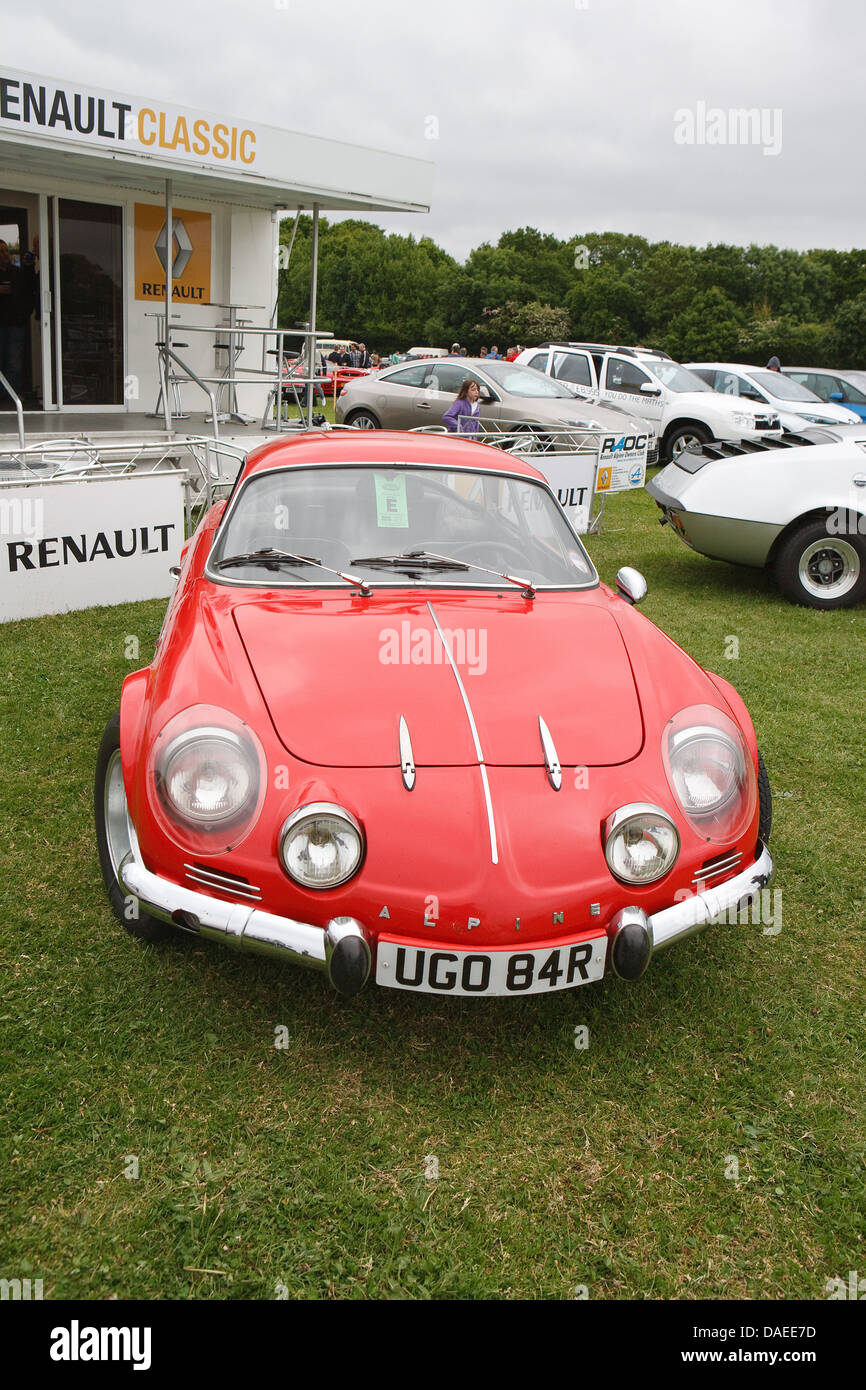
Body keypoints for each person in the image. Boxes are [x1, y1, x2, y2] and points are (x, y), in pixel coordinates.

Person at [0, 239, 32, 402]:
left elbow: (27, 293)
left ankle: (13, 396)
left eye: (6, 250)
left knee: (15, 362)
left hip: (15, 324)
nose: (4, 254)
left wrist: (24, 315)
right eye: (1, 251)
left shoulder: (17, 273)